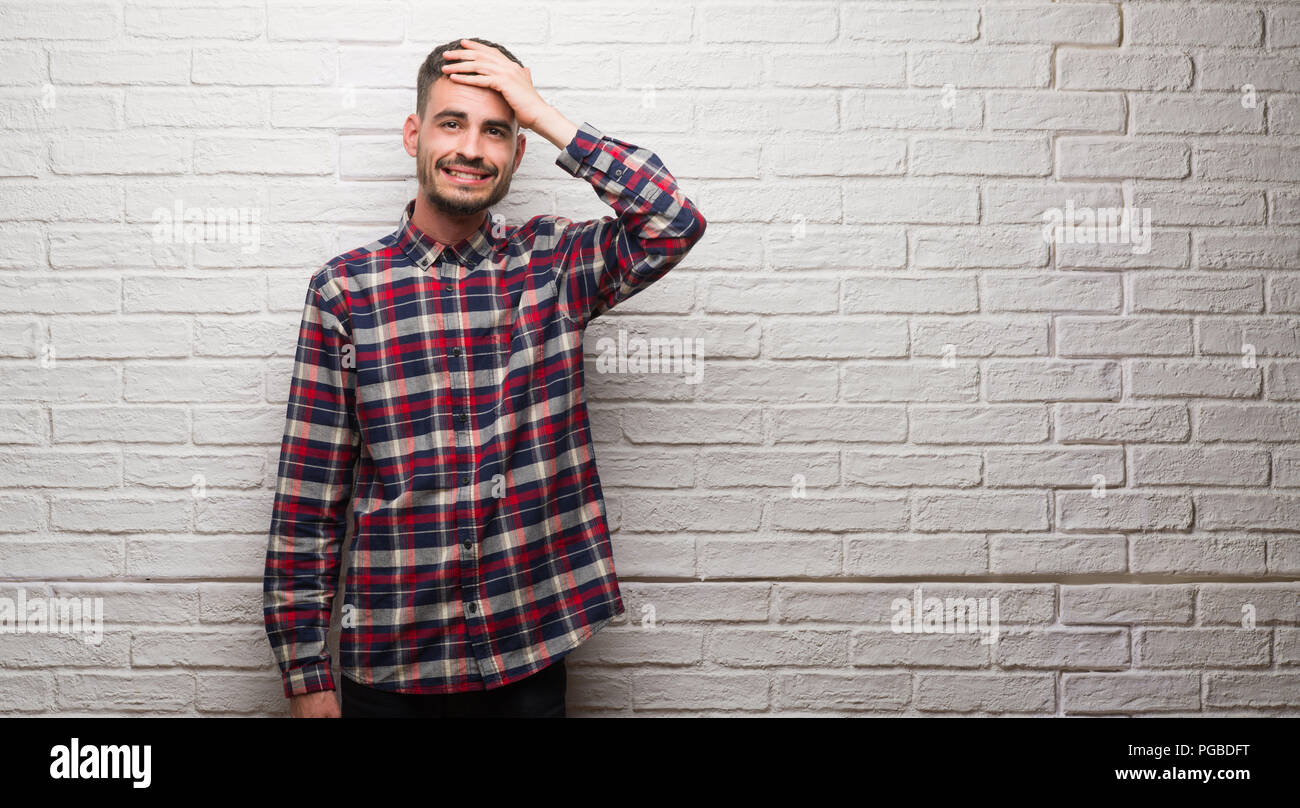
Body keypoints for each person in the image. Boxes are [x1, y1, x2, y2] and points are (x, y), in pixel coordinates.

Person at [262, 37, 707, 717]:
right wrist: (305, 672)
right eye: (452, 123)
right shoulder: (345, 290)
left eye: (496, 130)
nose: (471, 148)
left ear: (519, 151)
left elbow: (671, 221)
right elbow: (309, 494)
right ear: (415, 134)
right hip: (390, 663)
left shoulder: (554, 264)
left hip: (527, 651)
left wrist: (541, 111)